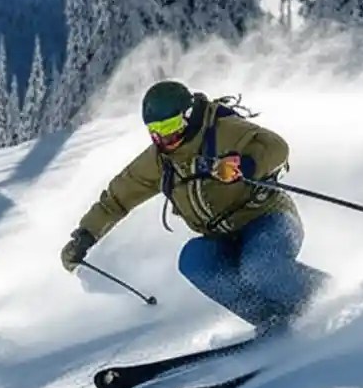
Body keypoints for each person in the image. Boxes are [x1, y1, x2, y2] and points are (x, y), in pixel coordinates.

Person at [60, 80, 326, 336]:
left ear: (187, 116)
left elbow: (276, 146)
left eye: (171, 126)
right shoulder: (158, 161)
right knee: (194, 261)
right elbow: (116, 199)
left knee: (259, 267)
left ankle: (330, 301)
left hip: (268, 218)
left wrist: (245, 165)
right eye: (156, 130)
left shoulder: (223, 131)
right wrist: (85, 236)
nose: (164, 137)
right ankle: (272, 320)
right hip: (223, 236)